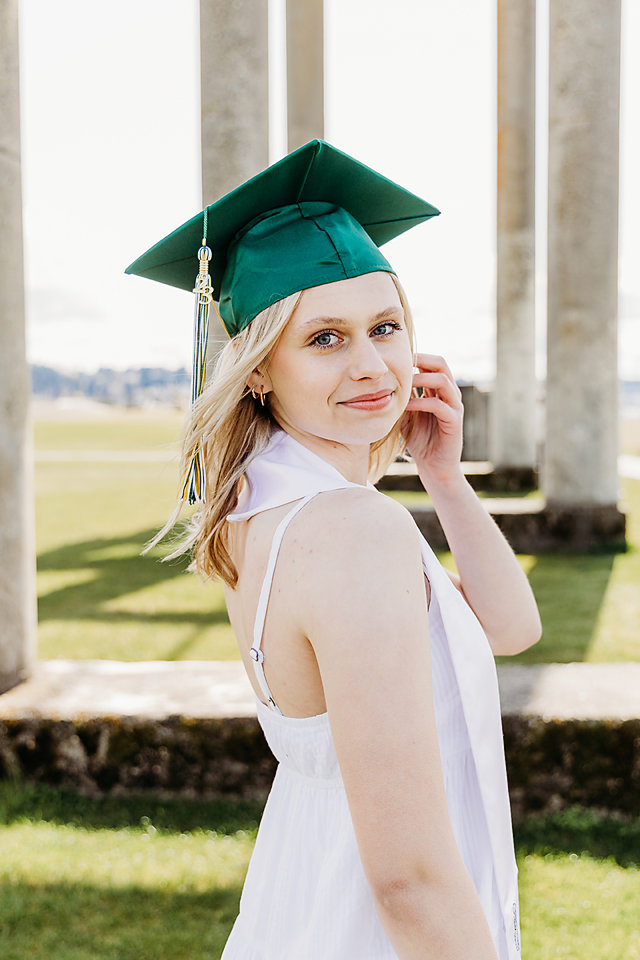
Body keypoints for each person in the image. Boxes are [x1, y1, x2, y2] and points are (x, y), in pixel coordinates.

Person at [126, 139, 541, 960]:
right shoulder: (352, 530)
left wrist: (444, 477)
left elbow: (508, 627)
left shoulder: (262, 510)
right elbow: (409, 880)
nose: (373, 366)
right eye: (324, 339)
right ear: (257, 369)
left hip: (303, 902)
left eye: (385, 328)